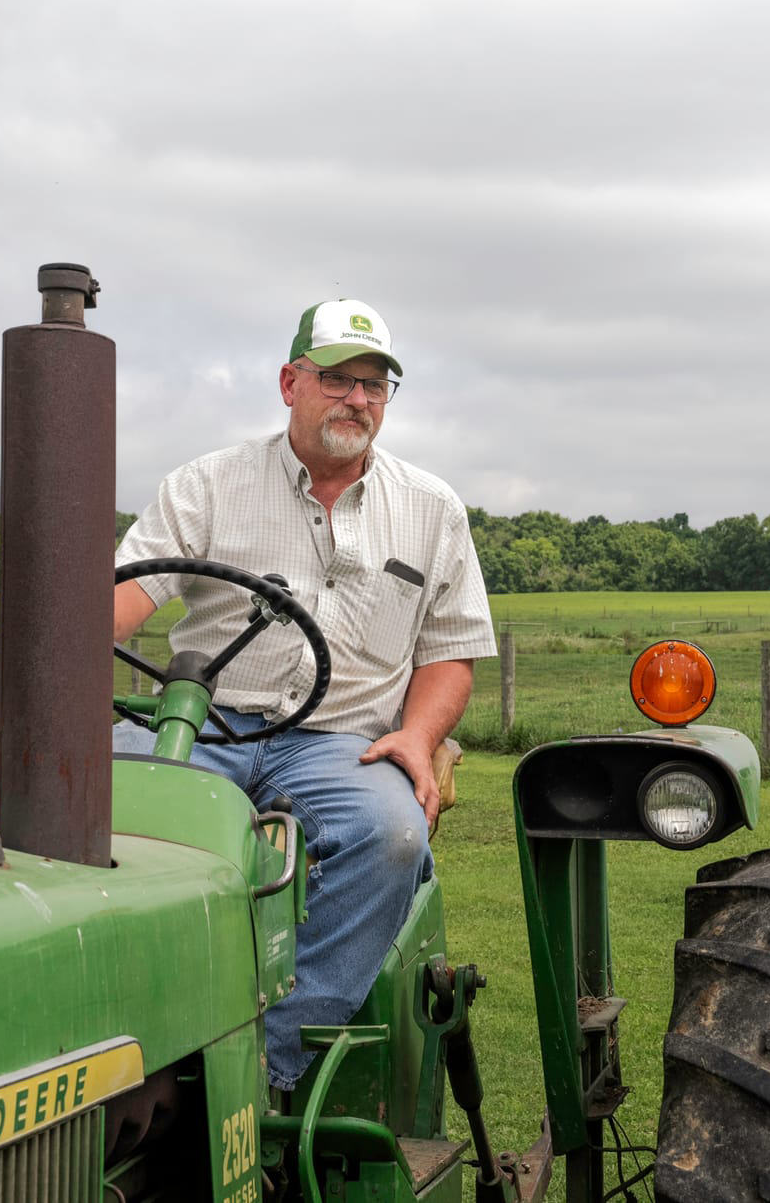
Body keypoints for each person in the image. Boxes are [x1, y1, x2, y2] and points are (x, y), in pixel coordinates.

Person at [111, 297, 496, 1092]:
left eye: (376, 384)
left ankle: (260, 1068)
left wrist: (418, 738)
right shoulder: (208, 486)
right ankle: (107, 1031)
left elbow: (452, 652)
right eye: (338, 379)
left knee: (391, 835)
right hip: (204, 728)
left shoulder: (431, 509)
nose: (358, 398)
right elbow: (119, 603)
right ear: (291, 382)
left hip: (341, 742)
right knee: (80, 804)